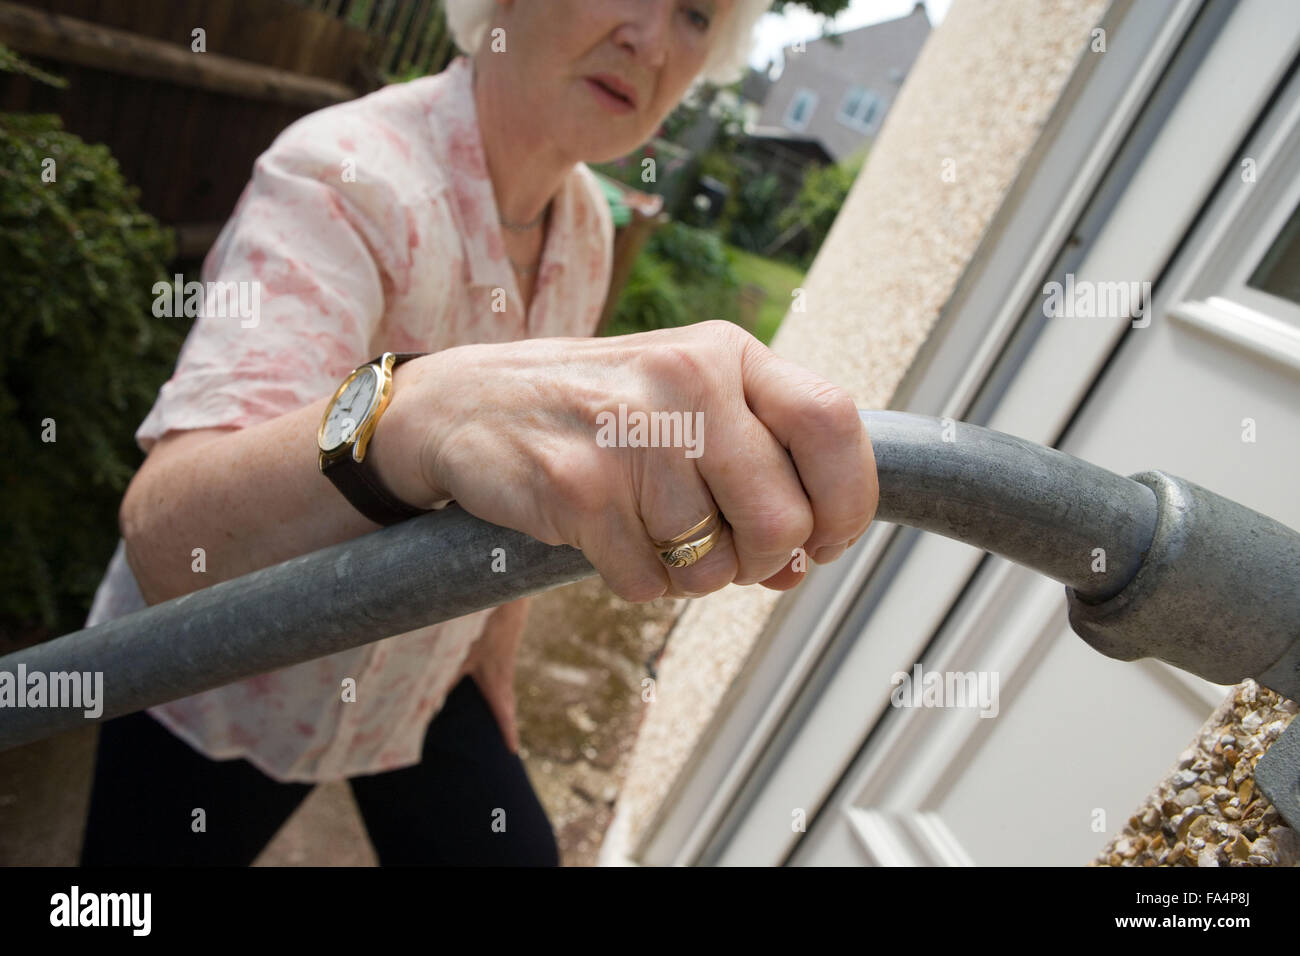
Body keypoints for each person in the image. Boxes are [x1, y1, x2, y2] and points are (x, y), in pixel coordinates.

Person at [78, 0, 878, 867]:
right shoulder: (341, 176)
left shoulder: (583, 223)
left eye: (694, 14)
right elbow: (168, 539)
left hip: (422, 673)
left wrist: (496, 647)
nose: (648, 41)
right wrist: (417, 412)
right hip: (229, 694)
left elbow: (533, 492)